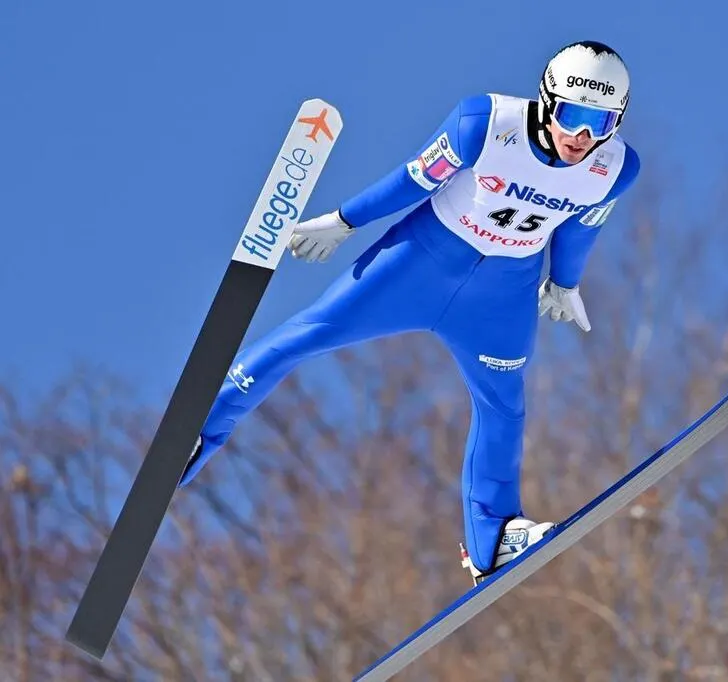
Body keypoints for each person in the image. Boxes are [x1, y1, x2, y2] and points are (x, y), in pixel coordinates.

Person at [177, 39, 642, 585]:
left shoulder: (615, 167)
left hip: (502, 293)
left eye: (600, 122)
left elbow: (581, 226)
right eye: (571, 115)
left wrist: (564, 282)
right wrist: (344, 221)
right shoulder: (484, 123)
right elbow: (414, 178)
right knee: (309, 333)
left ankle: (492, 538)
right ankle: (197, 431)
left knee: (503, 407)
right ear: (546, 102)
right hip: (420, 263)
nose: (581, 136)